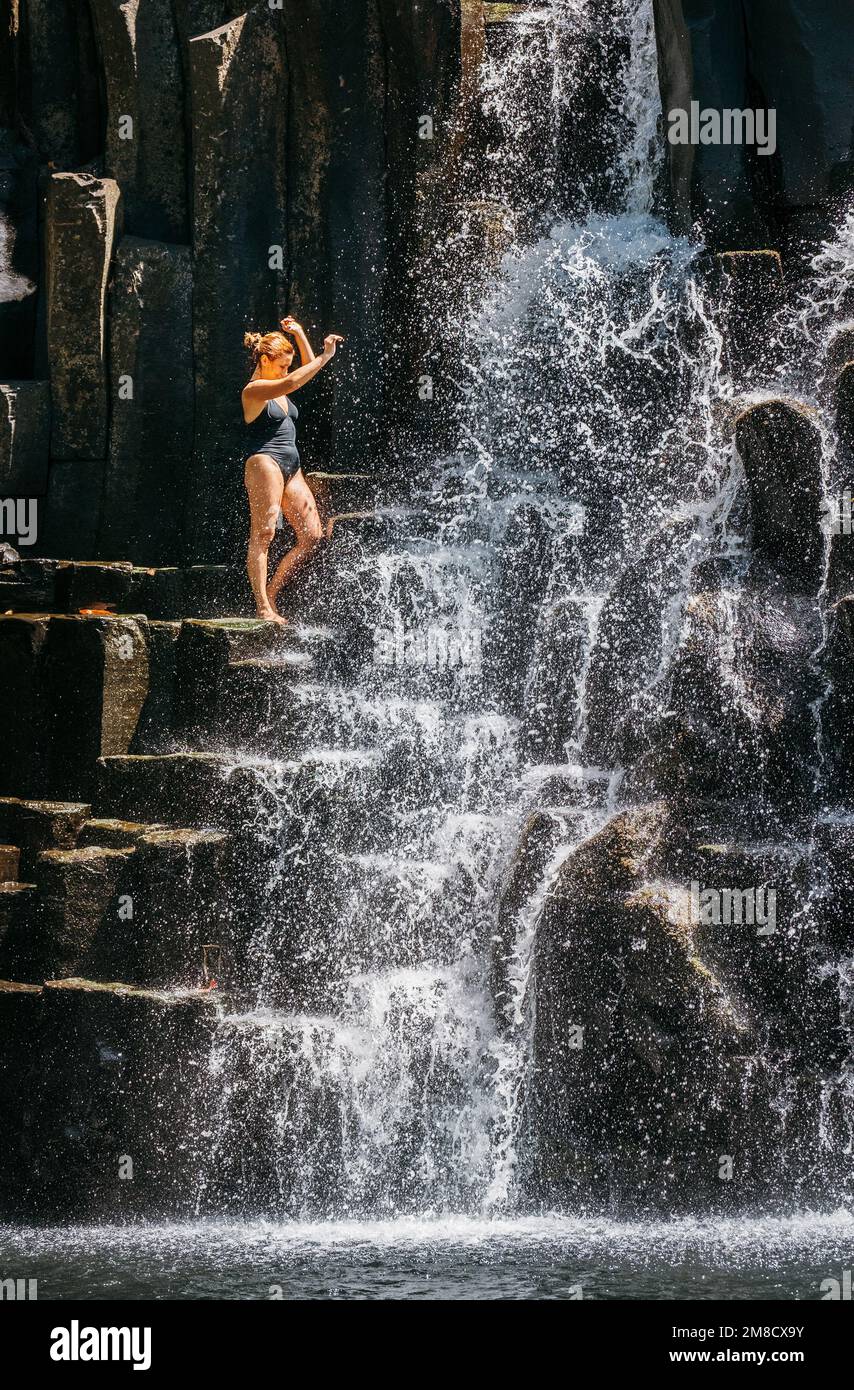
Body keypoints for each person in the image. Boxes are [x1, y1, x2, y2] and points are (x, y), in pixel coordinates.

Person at [241, 316, 343, 623]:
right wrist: (324, 357)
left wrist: (300, 332)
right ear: (264, 359)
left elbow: (303, 372)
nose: (286, 371)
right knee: (264, 531)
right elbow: (293, 380)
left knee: (312, 537)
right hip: (265, 462)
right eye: (282, 365)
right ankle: (262, 607)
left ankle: (273, 592)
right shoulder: (255, 389)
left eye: (288, 365)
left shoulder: (280, 385)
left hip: (292, 466)